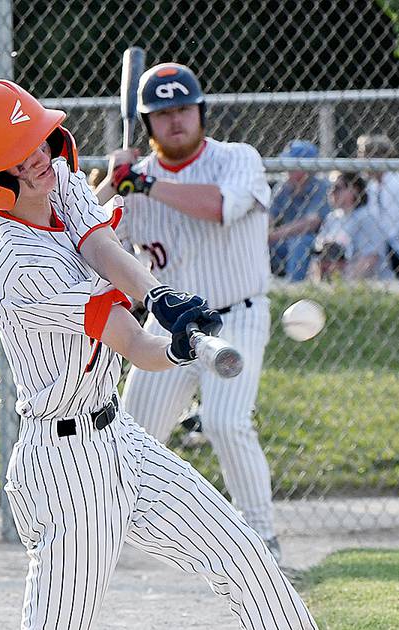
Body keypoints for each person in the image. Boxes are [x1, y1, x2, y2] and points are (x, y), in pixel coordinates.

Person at [0, 80, 315, 630]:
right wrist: (178, 347)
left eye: (38, 140)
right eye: (20, 156)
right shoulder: (18, 265)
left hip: (120, 438)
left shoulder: (58, 184)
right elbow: (134, 344)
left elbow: (99, 244)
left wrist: (158, 296)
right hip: (66, 467)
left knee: (245, 559)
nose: (39, 156)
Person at [93, 63, 286, 560]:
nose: (175, 120)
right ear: (147, 123)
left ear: (200, 112)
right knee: (131, 433)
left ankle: (262, 539)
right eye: (162, 113)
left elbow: (220, 207)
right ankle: (109, 532)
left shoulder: (236, 158)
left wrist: (144, 184)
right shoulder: (133, 180)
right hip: (171, 324)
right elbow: (83, 237)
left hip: (237, 314)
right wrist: (111, 184)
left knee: (225, 421)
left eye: (183, 109)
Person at [356, 133, 399, 277]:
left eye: (363, 156)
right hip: (381, 244)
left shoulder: (398, 183)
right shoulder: (372, 186)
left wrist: (375, 241)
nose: (359, 161)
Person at [267, 140, 331, 280]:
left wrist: (274, 235)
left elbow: (311, 223)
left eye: (291, 165)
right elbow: (268, 218)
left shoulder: (321, 186)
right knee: (261, 244)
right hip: (285, 239)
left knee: (300, 241)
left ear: (307, 168)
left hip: (316, 241)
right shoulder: (283, 187)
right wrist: (264, 235)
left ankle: (294, 286)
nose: (287, 168)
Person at [312, 171, 389, 281]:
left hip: (366, 283)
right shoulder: (331, 218)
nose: (331, 192)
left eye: (337, 188)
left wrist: (345, 283)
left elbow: (370, 259)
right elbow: (318, 255)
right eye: (330, 188)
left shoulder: (366, 218)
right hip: (334, 281)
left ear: (354, 190)